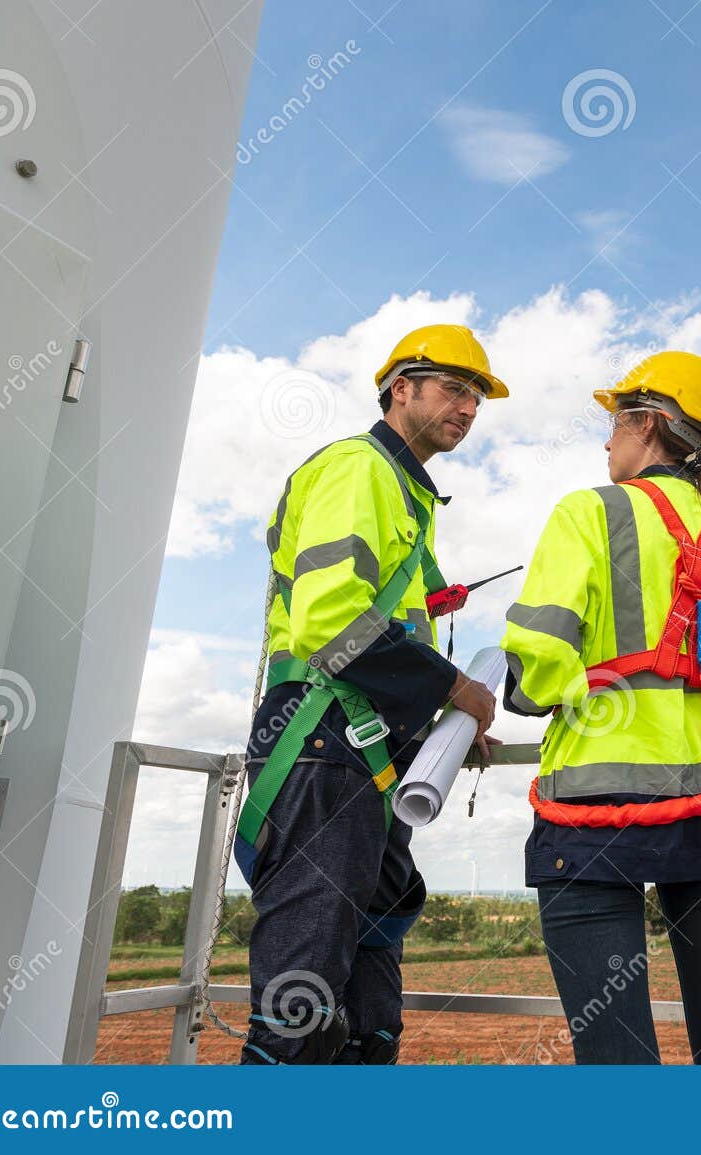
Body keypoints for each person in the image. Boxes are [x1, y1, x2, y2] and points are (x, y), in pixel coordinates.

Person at [501, 350, 701, 1064]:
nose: (606, 440)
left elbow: (540, 655)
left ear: (646, 422)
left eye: (613, 423)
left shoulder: (589, 510)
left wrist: (521, 692)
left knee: (618, 1060)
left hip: (591, 808)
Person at [236, 324, 504, 1064]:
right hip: (323, 749)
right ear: (400, 388)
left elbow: (389, 640)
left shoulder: (409, 502)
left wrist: (448, 722)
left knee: (367, 1016)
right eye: (454, 387)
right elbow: (330, 621)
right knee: (302, 1005)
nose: (470, 407)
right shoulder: (359, 470)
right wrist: (455, 686)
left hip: (368, 761)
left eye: (477, 395)